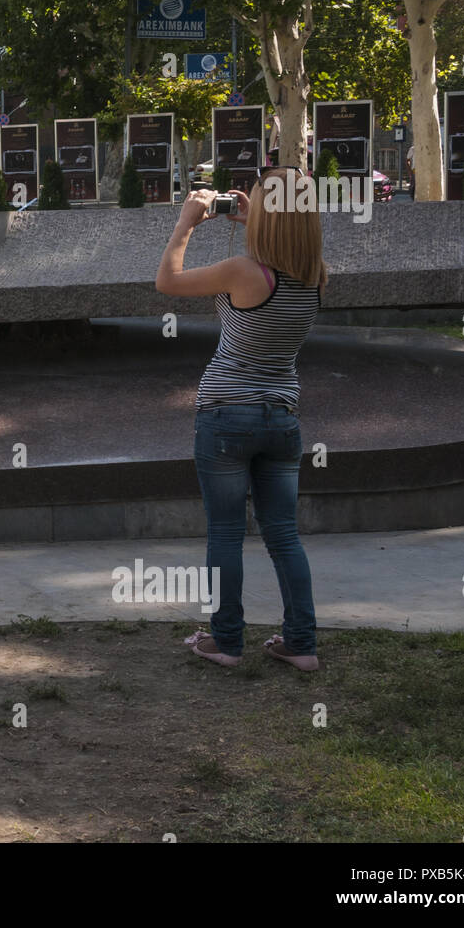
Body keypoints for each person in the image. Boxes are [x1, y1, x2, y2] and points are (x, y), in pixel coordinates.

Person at [155, 170, 327, 672]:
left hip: (226, 416)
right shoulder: (318, 274)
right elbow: (286, 246)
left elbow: (166, 280)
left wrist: (187, 221)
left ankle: (226, 642)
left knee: (226, 534)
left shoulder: (241, 272)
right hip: (283, 419)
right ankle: (301, 644)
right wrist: (264, 218)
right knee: (284, 536)